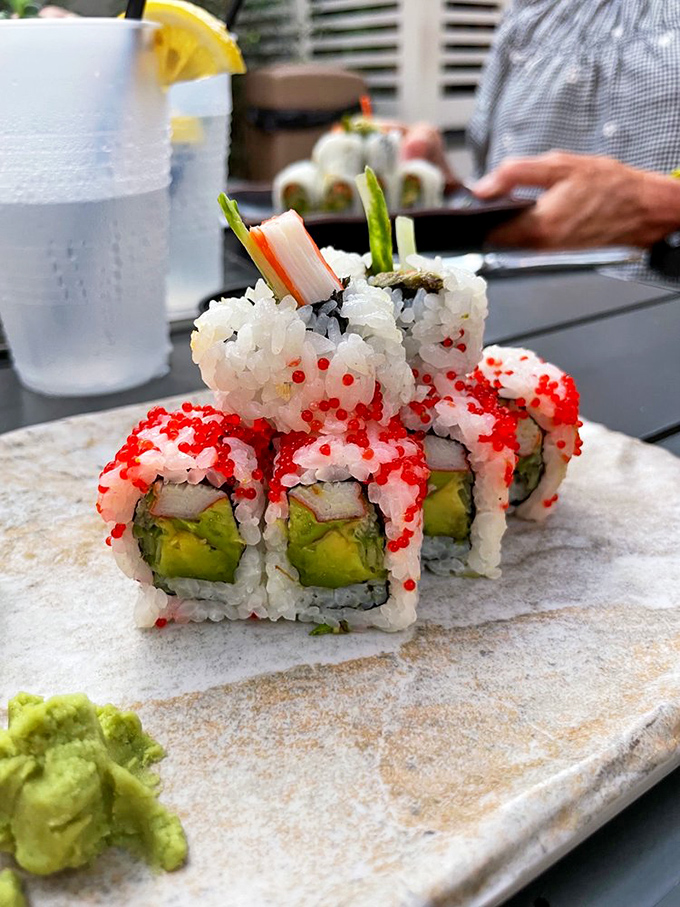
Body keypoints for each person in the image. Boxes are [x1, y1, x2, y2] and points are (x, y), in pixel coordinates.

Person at [402, 0, 680, 250]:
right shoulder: (529, 13)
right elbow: (486, 187)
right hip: (507, 300)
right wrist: (439, 187)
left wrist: (662, 202)